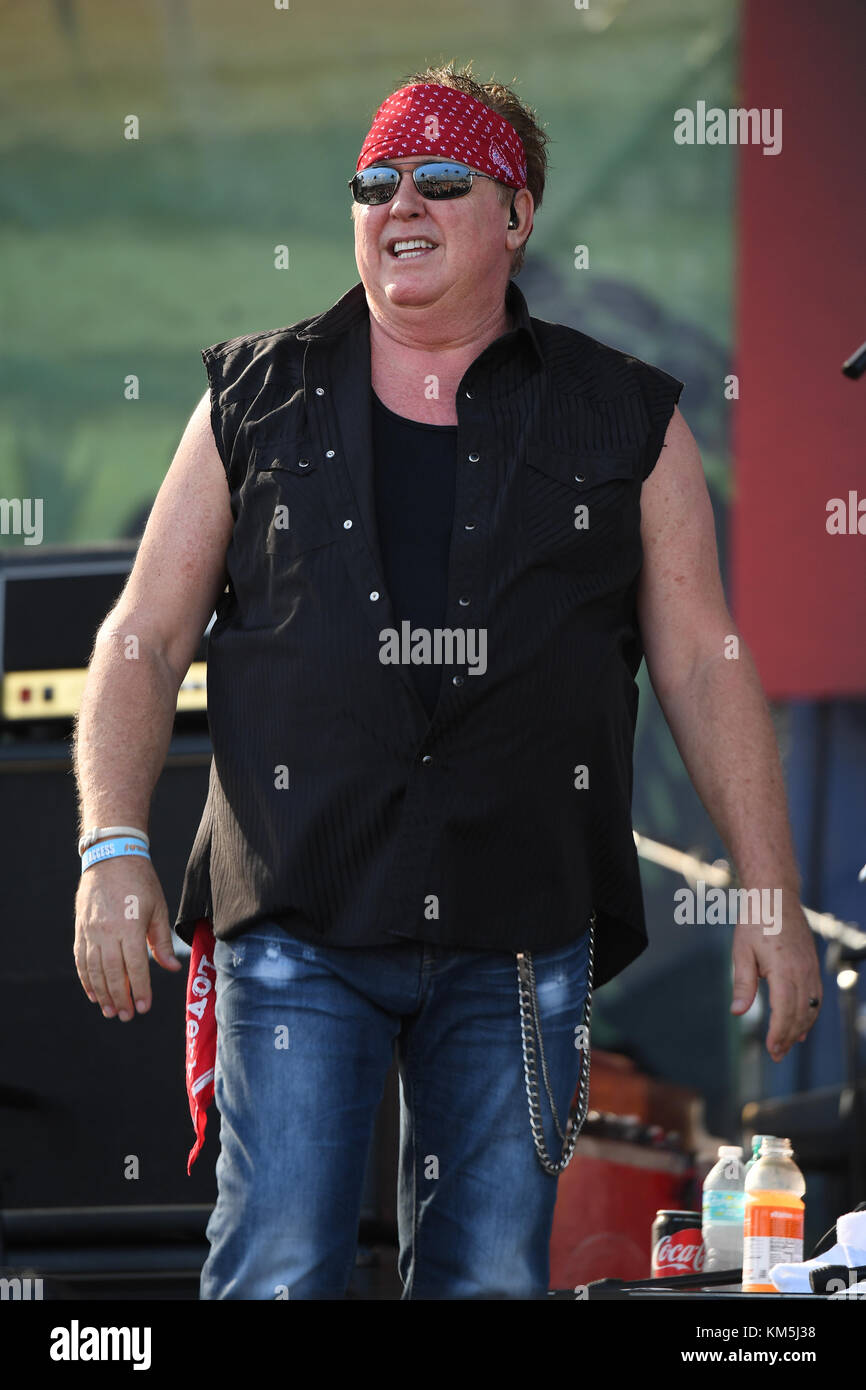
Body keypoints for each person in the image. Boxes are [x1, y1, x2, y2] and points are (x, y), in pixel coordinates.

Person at [72, 62, 822, 1300]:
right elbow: (141, 637)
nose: (397, 203)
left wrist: (768, 891)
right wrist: (110, 847)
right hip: (300, 911)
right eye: (373, 182)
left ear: (517, 216)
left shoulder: (622, 414)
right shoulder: (251, 396)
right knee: (279, 1268)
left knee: (485, 1277)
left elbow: (701, 656)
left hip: (521, 928)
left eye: (439, 180)